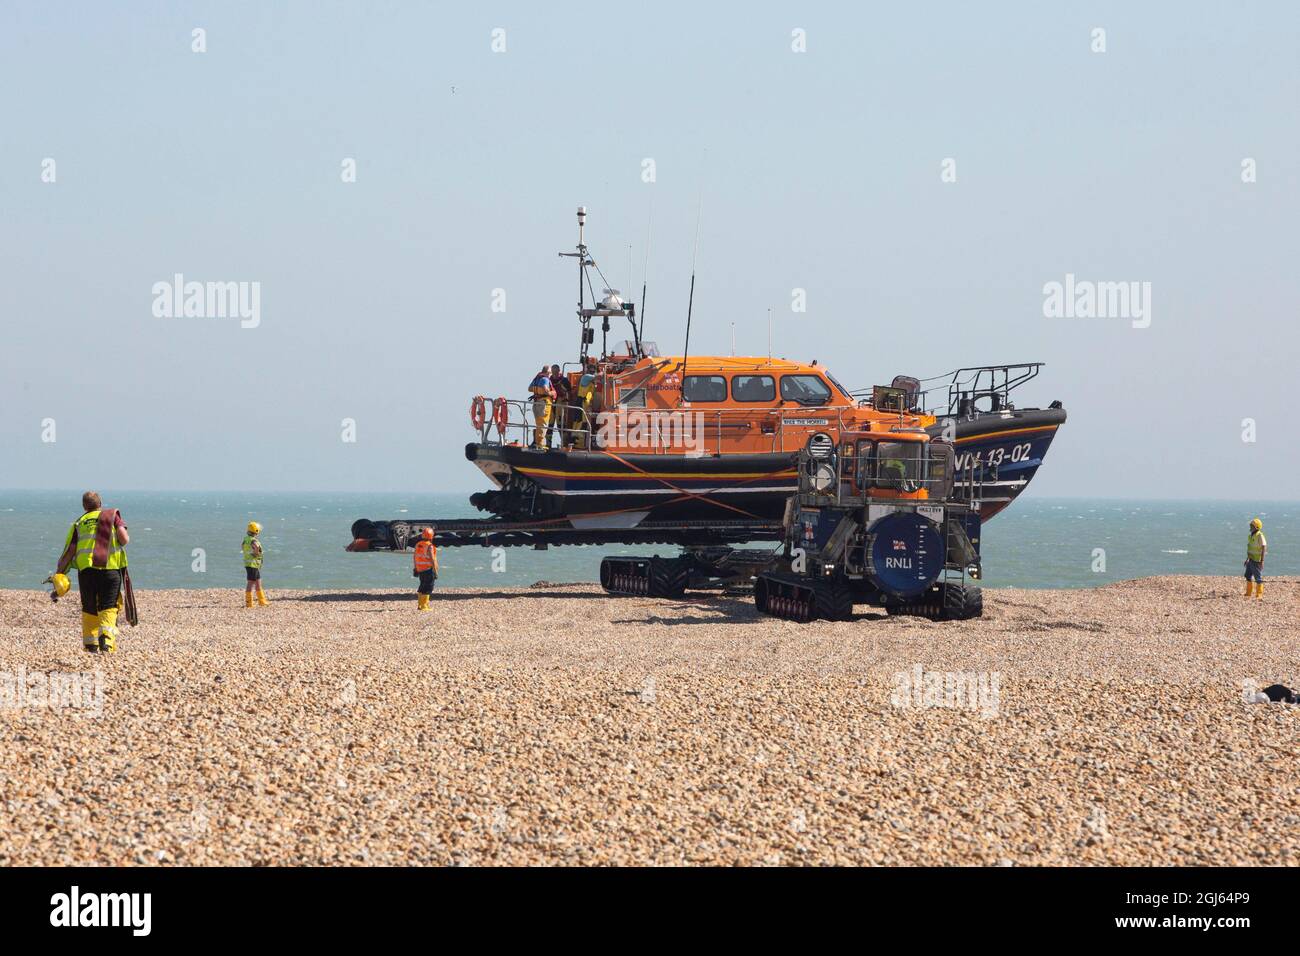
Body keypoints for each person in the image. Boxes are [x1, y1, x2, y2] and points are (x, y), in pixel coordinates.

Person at [54, 491, 130, 654]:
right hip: (109, 569)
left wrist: (59, 573)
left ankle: (90, 645)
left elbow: (69, 552)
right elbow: (124, 539)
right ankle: (107, 642)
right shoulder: (111, 516)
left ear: (84, 506)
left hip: (87, 572)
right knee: (109, 605)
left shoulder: (79, 522)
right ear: (100, 503)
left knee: (89, 607)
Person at [528, 365, 555, 448]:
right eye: (550, 373)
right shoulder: (545, 379)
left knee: (538, 424)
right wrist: (552, 393)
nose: (551, 375)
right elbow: (545, 389)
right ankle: (540, 444)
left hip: (536, 403)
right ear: (548, 373)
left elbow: (529, 388)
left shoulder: (537, 379)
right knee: (543, 424)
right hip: (543, 403)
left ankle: (536, 442)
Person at [546, 364, 572, 449]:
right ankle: (548, 444)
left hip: (561, 404)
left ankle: (564, 444)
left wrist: (566, 402)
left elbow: (569, 392)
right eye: (553, 371)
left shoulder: (564, 380)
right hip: (552, 404)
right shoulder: (549, 380)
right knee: (550, 424)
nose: (554, 373)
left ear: (559, 371)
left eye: (556, 371)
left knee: (561, 425)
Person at [243, 521, 268, 607]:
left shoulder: (246, 539)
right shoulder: (253, 540)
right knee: (251, 582)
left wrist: (248, 553)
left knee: (258, 582)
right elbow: (256, 547)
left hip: (250, 564)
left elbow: (242, 547)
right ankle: (249, 603)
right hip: (253, 564)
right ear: (256, 531)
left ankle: (262, 601)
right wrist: (256, 553)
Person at [413, 526, 439, 610]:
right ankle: (424, 606)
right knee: (428, 587)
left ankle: (420, 605)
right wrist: (435, 570)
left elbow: (415, 557)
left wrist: (416, 568)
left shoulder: (418, 544)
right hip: (428, 569)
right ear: (431, 536)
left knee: (422, 585)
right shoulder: (430, 546)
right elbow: (432, 559)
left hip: (420, 569)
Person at [1245, 517, 1267, 598]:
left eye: (1252, 526)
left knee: (1258, 578)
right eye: (1250, 525)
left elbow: (1264, 546)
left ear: (1257, 527)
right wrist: (1247, 559)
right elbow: (1250, 548)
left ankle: (1259, 594)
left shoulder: (1260, 535)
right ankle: (1248, 593)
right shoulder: (1250, 536)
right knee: (1247, 575)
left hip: (1257, 560)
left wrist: (1262, 560)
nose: (1250, 527)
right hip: (1250, 559)